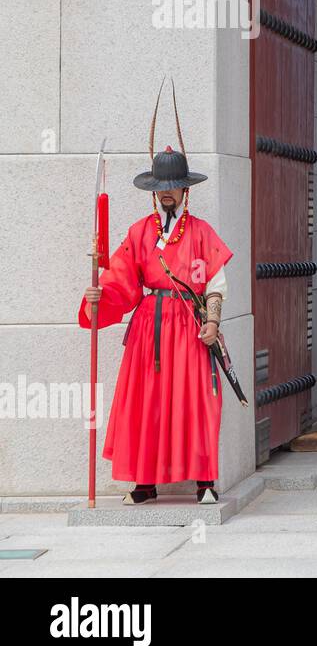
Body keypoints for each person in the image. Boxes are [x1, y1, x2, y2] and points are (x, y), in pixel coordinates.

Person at [80, 97, 233, 504]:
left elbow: (215, 282)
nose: (168, 194)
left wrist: (213, 323)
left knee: (195, 403)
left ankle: (203, 481)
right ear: (154, 190)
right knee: (146, 403)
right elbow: (122, 281)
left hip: (189, 323)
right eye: (161, 188)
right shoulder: (138, 233)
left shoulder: (201, 232)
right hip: (149, 326)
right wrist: (100, 295)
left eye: (174, 187)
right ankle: (145, 482)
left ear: (185, 189)